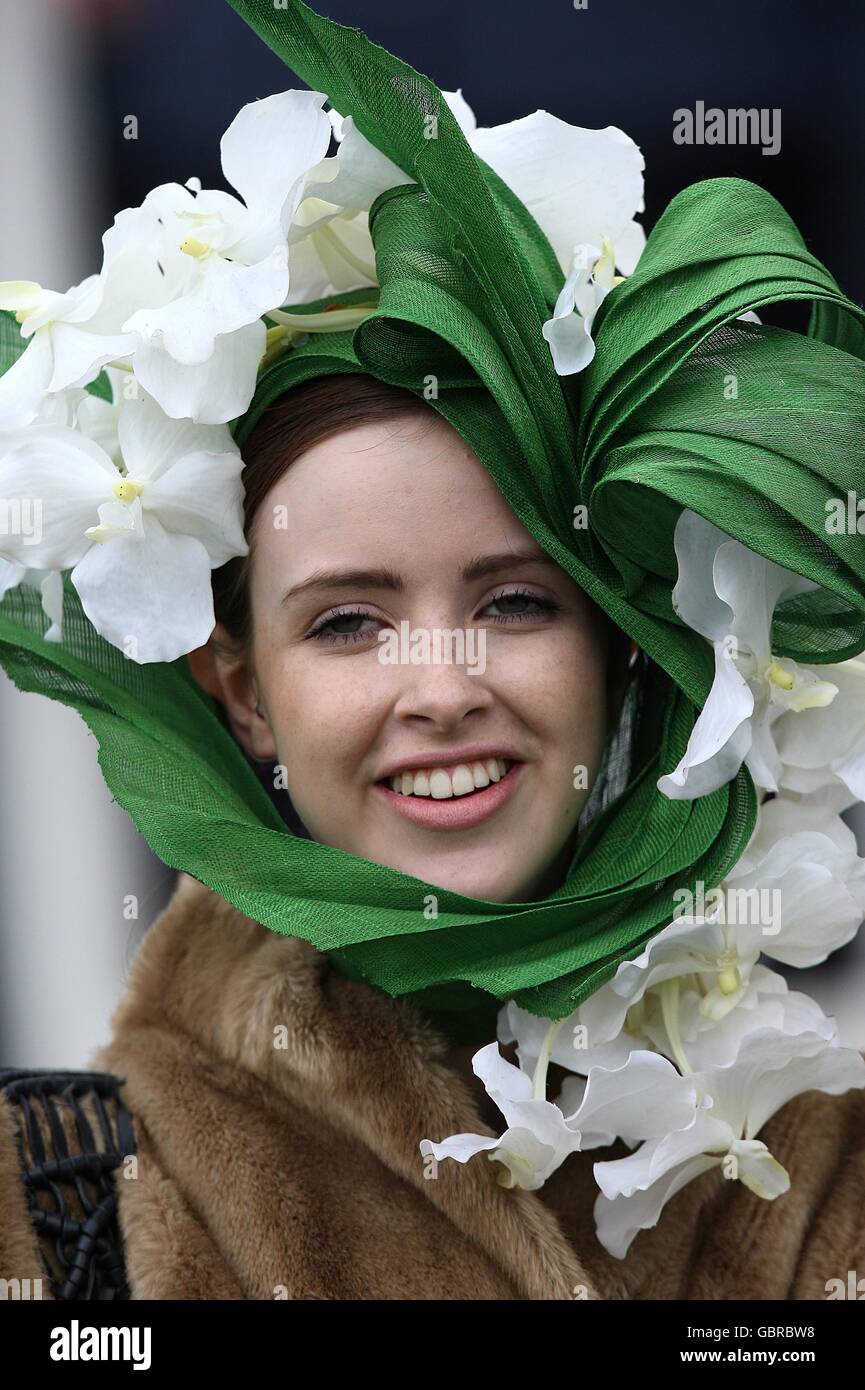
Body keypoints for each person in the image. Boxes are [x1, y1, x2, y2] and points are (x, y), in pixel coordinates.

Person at [1, 0, 864, 1300]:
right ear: (237, 686)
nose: (443, 688)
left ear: (628, 643)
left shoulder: (823, 1169)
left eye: (516, 601)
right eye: (348, 620)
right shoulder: (64, 1212)